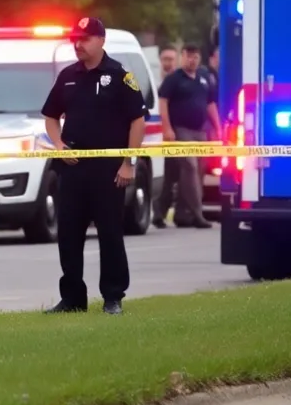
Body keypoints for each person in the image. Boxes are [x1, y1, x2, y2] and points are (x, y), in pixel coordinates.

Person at [40, 17, 148, 316]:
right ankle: (73, 298)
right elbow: (50, 116)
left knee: (110, 234)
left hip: (108, 170)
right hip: (73, 168)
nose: (79, 44)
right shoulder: (67, 76)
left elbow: (137, 120)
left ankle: (113, 297)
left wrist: (129, 162)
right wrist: (59, 145)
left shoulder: (119, 75)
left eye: (85, 38)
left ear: (101, 40)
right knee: (69, 235)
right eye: (75, 38)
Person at [153, 43, 219, 229]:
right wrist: (166, 128)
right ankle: (198, 214)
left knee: (187, 173)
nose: (192, 59)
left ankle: (175, 213)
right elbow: (163, 102)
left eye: (196, 56)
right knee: (189, 167)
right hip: (180, 131)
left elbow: (210, 104)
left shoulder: (204, 78)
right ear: (182, 57)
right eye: (189, 56)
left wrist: (218, 127)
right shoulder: (174, 79)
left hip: (200, 131)